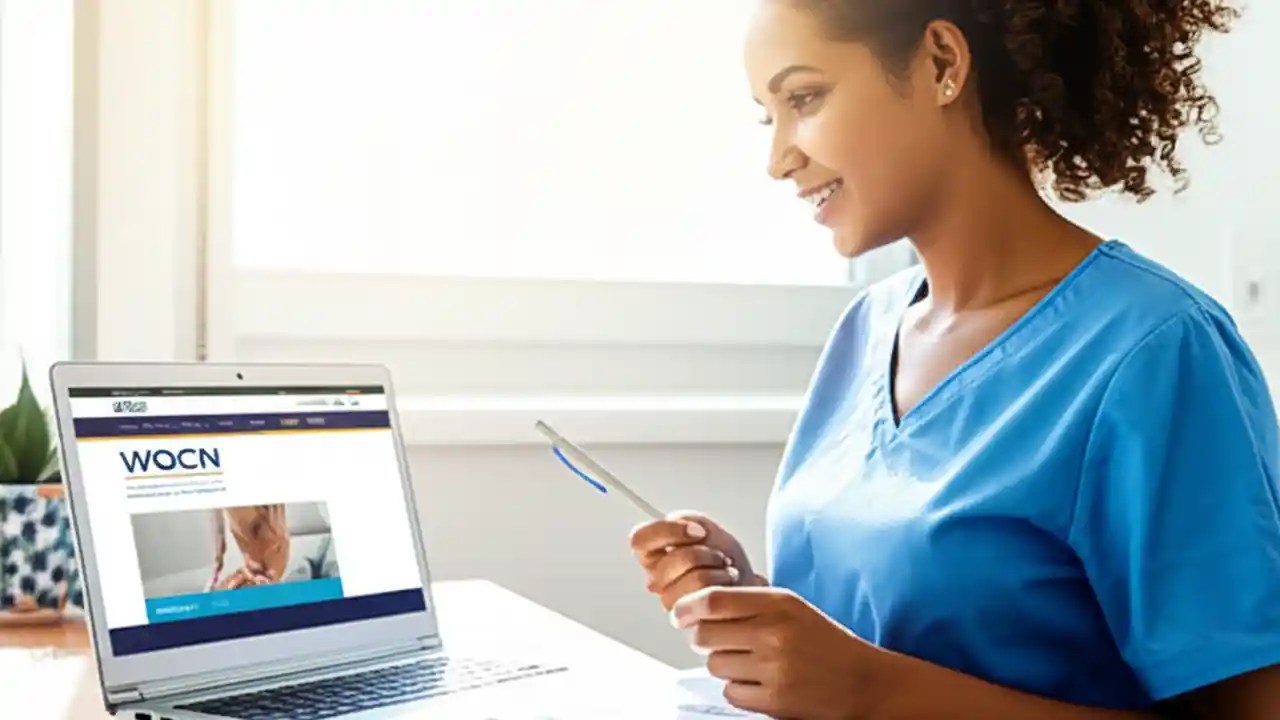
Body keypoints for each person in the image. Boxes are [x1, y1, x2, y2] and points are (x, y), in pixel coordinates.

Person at [630, 1, 1280, 717]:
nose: (780, 158)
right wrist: (764, 619)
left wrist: (871, 690)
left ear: (942, 63)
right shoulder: (868, 330)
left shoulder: (1155, 352)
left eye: (805, 99)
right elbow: (899, 633)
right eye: (769, 116)